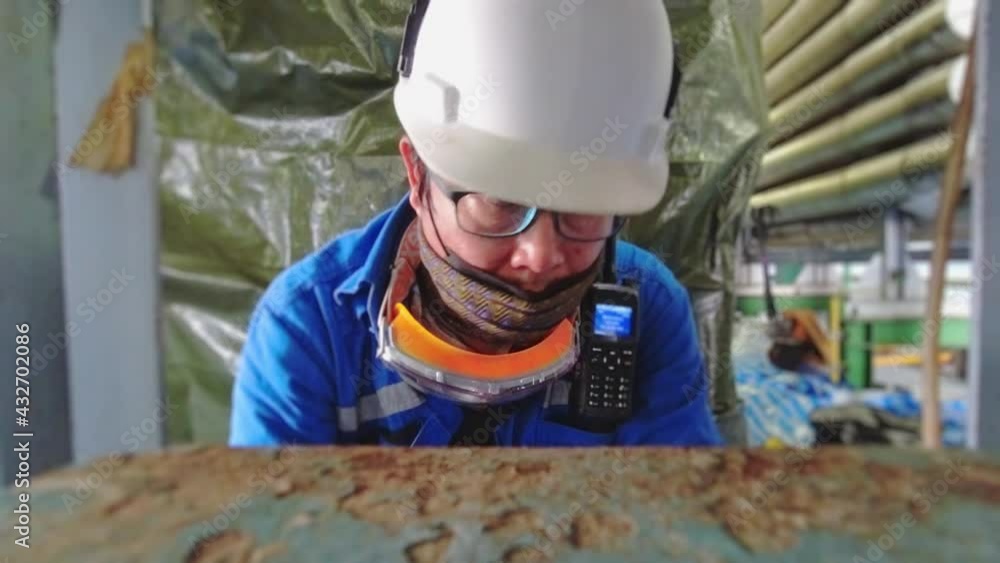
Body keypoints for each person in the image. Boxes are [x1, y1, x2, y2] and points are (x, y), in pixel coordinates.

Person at [229, 0, 723, 447]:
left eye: (582, 208)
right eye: (502, 204)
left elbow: (678, 518)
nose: (541, 255)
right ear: (417, 175)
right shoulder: (310, 327)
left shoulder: (651, 311)